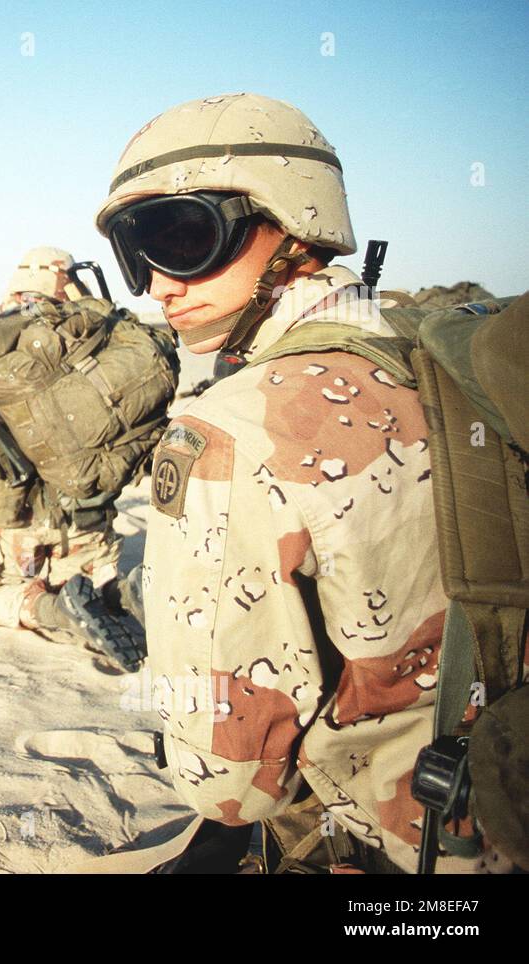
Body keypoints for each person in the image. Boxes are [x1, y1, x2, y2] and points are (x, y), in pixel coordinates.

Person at [94, 91, 480, 872]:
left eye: (180, 236)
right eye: (135, 255)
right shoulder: (441, 349)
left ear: (293, 222)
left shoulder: (231, 428)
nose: (157, 285)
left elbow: (228, 784)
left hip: (396, 850)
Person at [0, 247, 169, 669]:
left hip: (21, 520)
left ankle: (58, 611)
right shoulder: (107, 329)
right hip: (90, 514)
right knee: (90, 582)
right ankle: (118, 594)